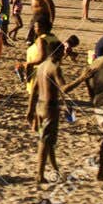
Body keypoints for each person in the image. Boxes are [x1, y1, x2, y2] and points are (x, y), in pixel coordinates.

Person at [27, 41, 67, 185]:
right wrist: (82, 78)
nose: (64, 54)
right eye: (62, 51)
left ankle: (56, 170)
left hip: (40, 106)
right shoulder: (55, 68)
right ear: (57, 52)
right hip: (50, 108)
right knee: (45, 141)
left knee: (48, 140)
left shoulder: (42, 66)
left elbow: (34, 90)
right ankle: (40, 174)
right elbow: (64, 88)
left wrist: (30, 109)